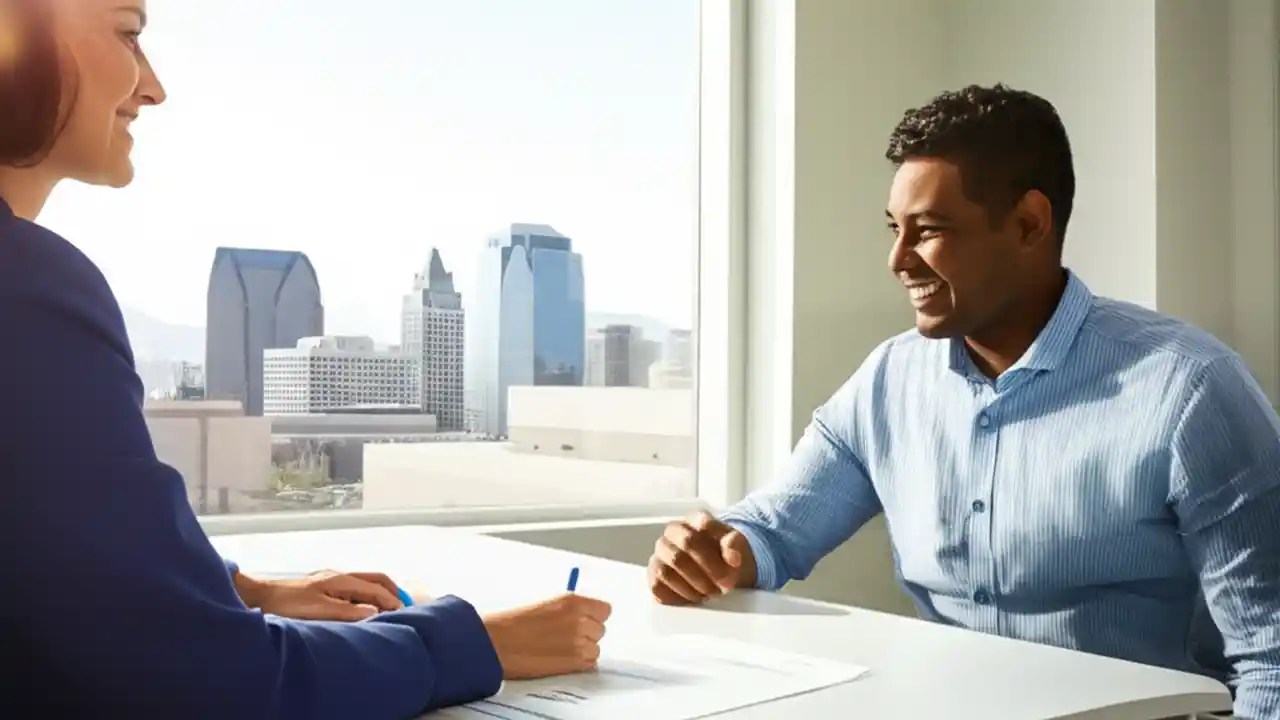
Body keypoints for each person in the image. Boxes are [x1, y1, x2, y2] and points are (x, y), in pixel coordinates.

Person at [0, 0, 611, 717]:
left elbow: (39, 568)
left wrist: (233, 589)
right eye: (128, 34)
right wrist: (474, 644)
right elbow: (209, 681)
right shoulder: (29, 292)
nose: (153, 85)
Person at [647, 84, 1280, 719]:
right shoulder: (889, 380)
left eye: (929, 231)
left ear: (1030, 223)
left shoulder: (1190, 390)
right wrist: (715, 552)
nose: (898, 259)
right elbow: (773, 532)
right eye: (895, 230)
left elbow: (1271, 657)